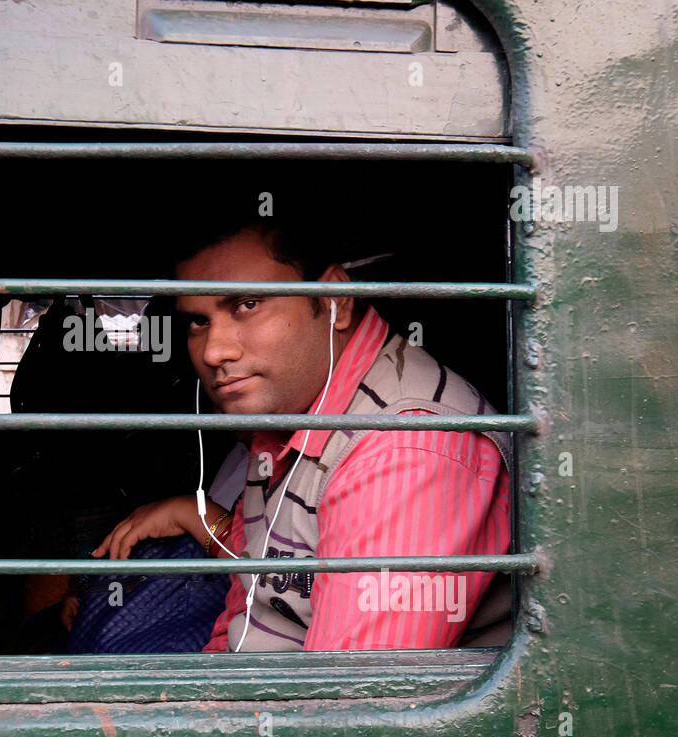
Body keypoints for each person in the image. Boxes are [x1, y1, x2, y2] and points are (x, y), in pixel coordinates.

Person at [92, 222, 512, 652]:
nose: (214, 351)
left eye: (247, 305)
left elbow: (350, 702)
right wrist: (206, 520)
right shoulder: (296, 415)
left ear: (334, 299)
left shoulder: (402, 447)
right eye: (198, 321)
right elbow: (279, 588)